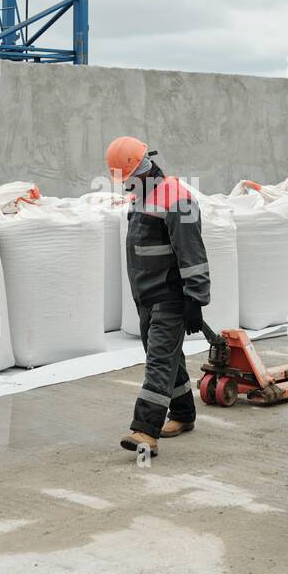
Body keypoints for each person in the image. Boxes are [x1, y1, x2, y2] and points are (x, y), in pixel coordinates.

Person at [106, 136, 210, 458]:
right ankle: (182, 414)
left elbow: (193, 254)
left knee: (159, 362)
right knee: (168, 356)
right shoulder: (142, 196)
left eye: (129, 178)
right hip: (147, 297)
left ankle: (145, 430)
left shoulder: (177, 198)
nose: (127, 184)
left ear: (143, 167)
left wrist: (195, 299)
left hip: (171, 296)